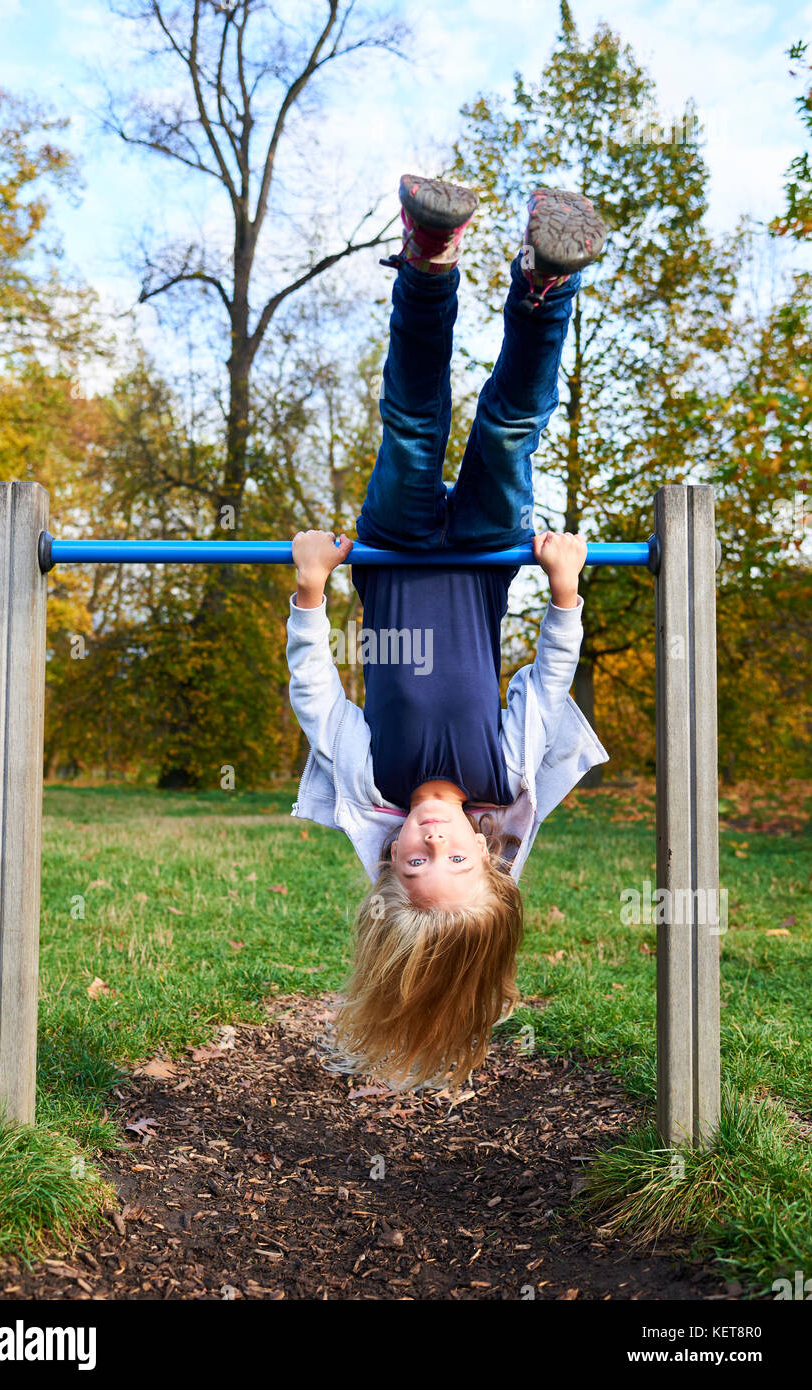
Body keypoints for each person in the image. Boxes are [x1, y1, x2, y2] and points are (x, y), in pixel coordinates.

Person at [285, 176, 609, 1089]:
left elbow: (316, 694)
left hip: (388, 548)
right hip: (480, 556)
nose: (430, 836)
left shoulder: (373, 778)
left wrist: (311, 591)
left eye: (417, 860)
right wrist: (563, 591)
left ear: (386, 866)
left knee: (413, 423)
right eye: (456, 856)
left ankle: (430, 260)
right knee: (510, 431)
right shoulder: (501, 777)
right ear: (490, 857)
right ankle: (547, 286)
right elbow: (546, 684)